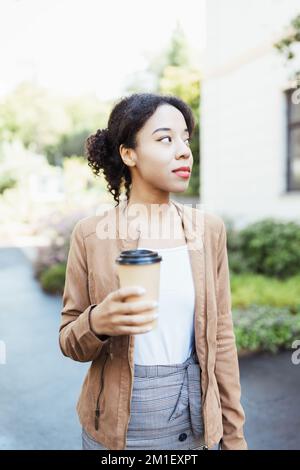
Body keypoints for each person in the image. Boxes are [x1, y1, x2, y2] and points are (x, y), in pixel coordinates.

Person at [59, 92, 248, 451]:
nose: (183, 151)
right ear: (128, 153)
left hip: (196, 421)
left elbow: (222, 338)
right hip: (117, 428)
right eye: (165, 139)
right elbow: (69, 340)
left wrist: (233, 435)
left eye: (185, 139)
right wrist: (97, 322)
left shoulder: (208, 230)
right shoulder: (90, 235)